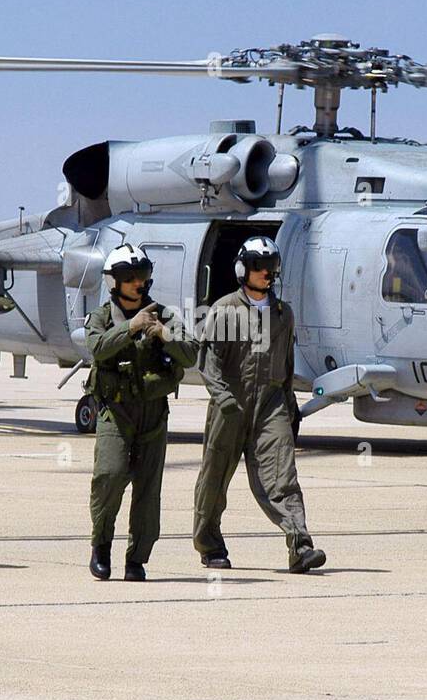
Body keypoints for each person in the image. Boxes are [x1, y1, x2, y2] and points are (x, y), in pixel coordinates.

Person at [192, 236, 326, 573]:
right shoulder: (224, 310)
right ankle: (210, 545)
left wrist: (290, 406)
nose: (266, 273)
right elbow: (210, 365)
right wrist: (224, 400)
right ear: (243, 269)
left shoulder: (283, 314)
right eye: (259, 266)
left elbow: (286, 363)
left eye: (271, 267)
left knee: (282, 477)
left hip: (271, 407)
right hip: (230, 407)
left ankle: (300, 545)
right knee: (214, 478)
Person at [84, 244, 197, 581]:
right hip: (115, 413)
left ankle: (137, 559)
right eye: (128, 277)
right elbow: (97, 347)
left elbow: (191, 354)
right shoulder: (103, 317)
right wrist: (131, 327)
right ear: (113, 282)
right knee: (110, 477)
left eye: (142, 276)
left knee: (149, 490)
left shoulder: (164, 315)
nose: (137, 283)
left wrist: (163, 334)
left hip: (153, 414)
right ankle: (101, 545)